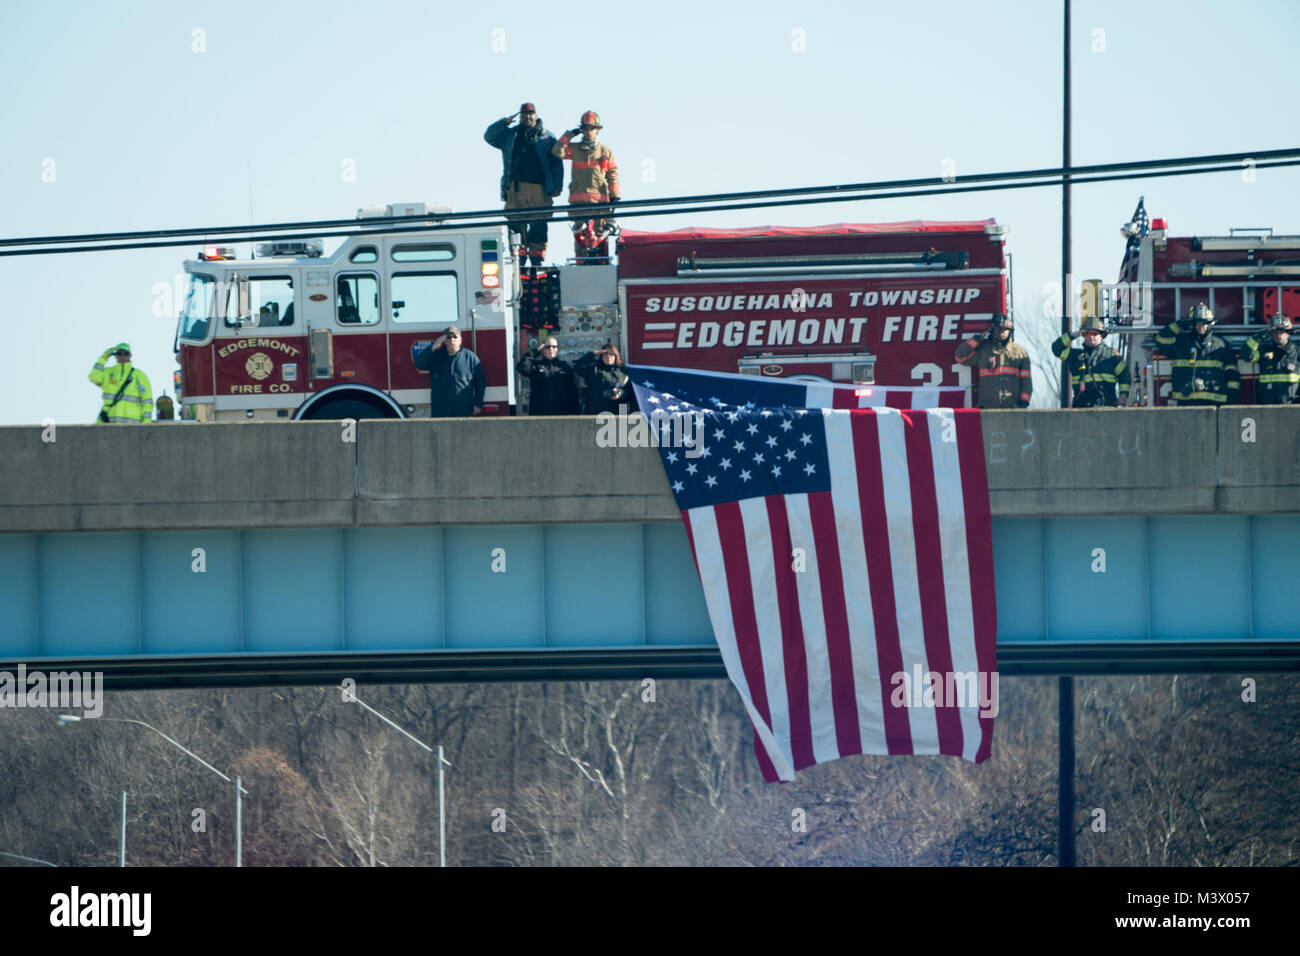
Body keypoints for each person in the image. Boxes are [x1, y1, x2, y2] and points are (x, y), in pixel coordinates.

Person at [483, 103, 564, 266]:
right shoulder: (510, 135)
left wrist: (557, 186)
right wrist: (504, 122)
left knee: (539, 225)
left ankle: (537, 261)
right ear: (519, 116)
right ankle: (518, 260)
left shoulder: (548, 138)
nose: (528, 117)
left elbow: (557, 163)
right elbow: (489, 136)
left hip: (540, 189)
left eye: (531, 113)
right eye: (524, 113)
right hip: (516, 188)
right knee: (515, 224)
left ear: (536, 115)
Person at [552, 111, 621, 262]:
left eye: (592, 128)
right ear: (582, 130)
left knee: (601, 242)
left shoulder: (605, 151)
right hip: (579, 207)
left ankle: (601, 269)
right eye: (585, 128)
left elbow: (612, 173)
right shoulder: (575, 149)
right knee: (580, 244)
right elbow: (557, 151)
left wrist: (615, 195)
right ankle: (581, 272)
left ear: (597, 130)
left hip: (600, 207)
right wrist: (570, 134)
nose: (589, 132)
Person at [1154, 302, 1239, 406]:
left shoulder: (1221, 346)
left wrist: (1232, 399)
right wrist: (1178, 325)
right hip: (1186, 403)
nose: (1201, 326)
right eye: (1198, 323)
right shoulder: (1181, 343)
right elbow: (1161, 340)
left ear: (1210, 324)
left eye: (1204, 323)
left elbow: (1232, 375)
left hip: (1214, 405)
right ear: (1193, 324)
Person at [953, 314, 1032, 408]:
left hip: (1012, 408)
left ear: (1010, 331)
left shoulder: (1021, 352)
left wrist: (1023, 402)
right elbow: (960, 356)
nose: (1001, 332)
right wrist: (977, 339)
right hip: (986, 408)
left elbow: (1026, 381)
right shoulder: (983, 350)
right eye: (997, 328)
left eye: (1004, 329)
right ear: (992, 330)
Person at [1052, 315, 1131, 407]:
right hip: (1081, 410)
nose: (1092, 337)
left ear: (1101, 336)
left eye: (1095, 334)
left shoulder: (1112, 356)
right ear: (1084, 335)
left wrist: (1123, 395)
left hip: (1106, 409)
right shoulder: (1074, 356)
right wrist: (1074, 334)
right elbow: (1056, 348)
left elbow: (1124, 376)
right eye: (1088, 333)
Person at [414, 326, 485, 417]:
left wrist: (478, 404)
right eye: (449, 337)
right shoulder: (436, 356)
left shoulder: (470, 357)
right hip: (441, 410)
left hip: (463, 409)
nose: (452, 339)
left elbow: (480, 383)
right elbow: (419, 364)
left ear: (460, 340)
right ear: (444, 340)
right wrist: (433, 347)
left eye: (455, 337)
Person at [1240, 313, 1299, 405]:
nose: (1278, 335)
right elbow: (1246, 356)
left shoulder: (1297, 353)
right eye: (1275, 331)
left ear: (1288, 333)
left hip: (1291, 407)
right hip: (1267, 406)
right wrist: (1255, 339)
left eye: (1282, 331)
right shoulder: (1264, 351)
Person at [89, 342, 153, 423]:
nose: (122, 356)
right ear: (115, 355)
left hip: (132, 425)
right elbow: (94, 378)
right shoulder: (108, 373)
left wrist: (146, 422)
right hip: (109, 422)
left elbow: (147, 401)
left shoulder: (139, 376)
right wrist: (103, 358)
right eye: (119, 353)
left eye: (125, 353)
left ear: (130, 355)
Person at [516, 336, 579, 415]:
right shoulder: (536, 366)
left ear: (557, 349)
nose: (551, 349)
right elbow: (521, 367)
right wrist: (535, 351)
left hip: (562, 414)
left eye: (554, 347)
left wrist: (575, 415)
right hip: (539, 413)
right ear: (543, 349)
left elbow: (574, 392)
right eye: (548, 347)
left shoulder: (565, 367)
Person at [574, 343, 632, 414]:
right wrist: (592, 354)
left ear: (615, 356)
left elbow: (630, 392)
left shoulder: (623, 371)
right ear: (601, 356)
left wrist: (620, 393)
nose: (608, 357)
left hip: (618, 412)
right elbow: (577, 367)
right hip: (596, 411)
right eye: (605, 354)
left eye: (611, 354)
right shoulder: (594, 369)